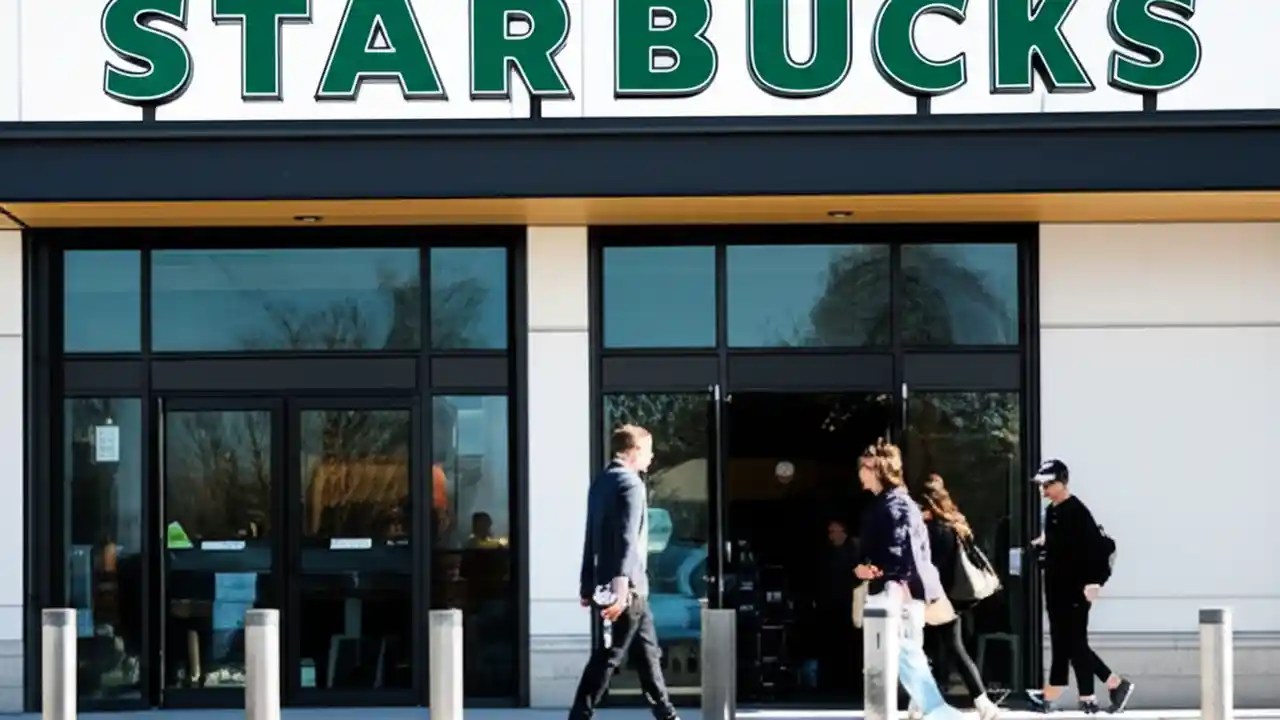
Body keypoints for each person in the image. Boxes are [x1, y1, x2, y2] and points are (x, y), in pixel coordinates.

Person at [568, 424, 680, 720]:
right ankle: (579, 715)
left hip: (615, 583)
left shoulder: (602, 481)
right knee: (611, 654)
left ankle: (666, 713)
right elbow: (627, 536)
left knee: (647, 654)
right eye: (649, 451)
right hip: (626, 587)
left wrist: (586, 585)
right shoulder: (631, 484)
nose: (652, 458)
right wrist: (621, 589)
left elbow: (591, 535)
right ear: (636, 451)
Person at [854, 438, 965, 720]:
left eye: (863, 467)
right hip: (905, 590)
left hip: (897, 591)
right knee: (907, 651)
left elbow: (900, 552)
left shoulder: (893, 506)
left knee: (904, 653)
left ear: (876, 469)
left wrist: (883, 577)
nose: (860, 473)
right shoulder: (898, 504)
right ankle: (925, 707)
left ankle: (937, 710)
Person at [1026, 459, 1135, 714]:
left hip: (1074, 588)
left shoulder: (1076, 511)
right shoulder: (1053, 511)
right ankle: (1091, 694)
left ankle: (1062, 691)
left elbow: (1097, 549)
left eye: (1048, 484)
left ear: (1062, 483)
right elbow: (1059, 543)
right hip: (1056, 587)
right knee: (1066, 642)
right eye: (1041, 484)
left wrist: (1095, 582)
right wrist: (1040, 545)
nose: (1043, 489)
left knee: (1073, 643)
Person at [919, 474, 1001, 720]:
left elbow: (934, 567)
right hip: (953, 599)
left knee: (925, 651)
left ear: (928, 505)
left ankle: (922, 703)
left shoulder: (934, 531)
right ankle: (983, 703)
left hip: (935, 598)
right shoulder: (955, 526)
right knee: (951, 650)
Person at [816, 517, 861, 695]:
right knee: (832, 643)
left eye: (834, 532)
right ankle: (833, 682)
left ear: (844, 532)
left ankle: (852, 681)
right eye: (829, 532)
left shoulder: (855, 549)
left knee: (852, 644)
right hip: (831, 603)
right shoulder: (827, 553)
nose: (831, 536)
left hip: (850, 603)